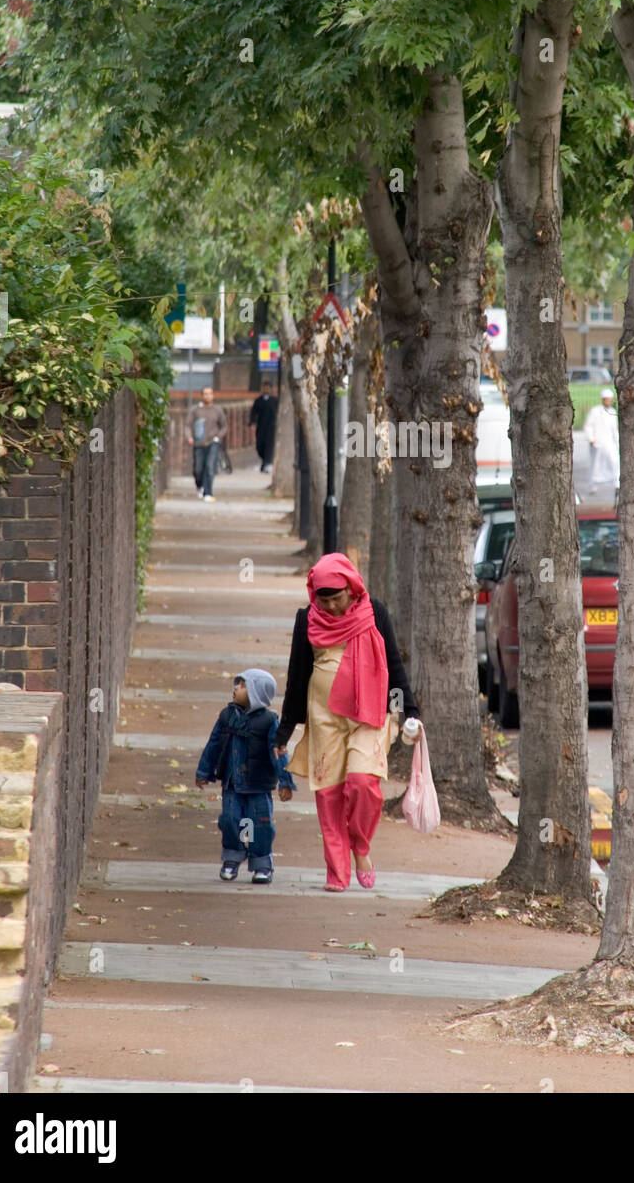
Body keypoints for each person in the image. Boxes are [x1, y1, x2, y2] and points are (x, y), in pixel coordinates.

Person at [274, 553, 421, 892]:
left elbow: (394, 667)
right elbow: (298, 677)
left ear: (351, 589)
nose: (333, 608)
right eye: (324, 601)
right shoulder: (306, 619)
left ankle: (361, 847)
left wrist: (409, 711)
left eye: (337, 599)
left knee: (362, 784)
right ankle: (336, 871)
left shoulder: (375, 613)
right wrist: (285, 730)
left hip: (369, 715)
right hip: (323, 717)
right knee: (328, 795)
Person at [195, 668, 296, 884]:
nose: (236, 689)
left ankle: (261, 863)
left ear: (255, 693)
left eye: (242, 686)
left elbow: (278, 752)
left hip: (258, 784)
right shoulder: (226, 716)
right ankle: (233, 858)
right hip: (232, 783)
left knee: (259, 823)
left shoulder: (269, 721)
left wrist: (285, 782)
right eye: (236, 684)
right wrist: (204, 771)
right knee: (232, 820)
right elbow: (214, 744)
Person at [186, 386, 228, 501]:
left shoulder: (217, 410)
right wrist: (189, 437)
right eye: (205, 394)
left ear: (213, 395)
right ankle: (200, 486)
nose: (208, 396)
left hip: (213, 442)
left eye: (210, 394)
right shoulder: (195, 410)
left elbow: (224, 426)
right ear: (201, 396)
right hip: (199, 443)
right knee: (198, 469)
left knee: (210, 467)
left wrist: (218, 438)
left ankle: (208, 492)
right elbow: (188, 425)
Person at [584, 387, 620, 497]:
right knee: (595, 465)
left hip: (610, 443)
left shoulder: (613, 412)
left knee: (614, 462)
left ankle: (616, 483)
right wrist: (591, 439)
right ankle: (592, 486)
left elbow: (614, 430)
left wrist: (617, 442)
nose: (608, 401)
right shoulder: (595, 411)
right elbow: (588, 426)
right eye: (606, 399)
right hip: (598, 443)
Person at [249, 381, 278, 473]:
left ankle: (267, 463)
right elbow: (253, 413)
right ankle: (265, 461)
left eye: (268, 387)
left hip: (271, 428)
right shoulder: (258, 401)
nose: (266, 389)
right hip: (261, 427)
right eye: (264, 387)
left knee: (269, 446)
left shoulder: (275, 401)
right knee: (260, 446)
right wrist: (252, 422)